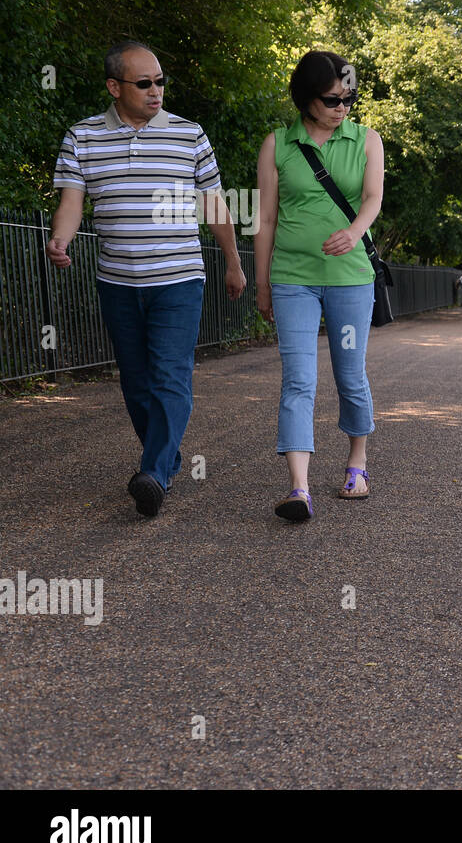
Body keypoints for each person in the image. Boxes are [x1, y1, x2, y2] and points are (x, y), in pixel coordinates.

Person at [47, 40, 247, 516]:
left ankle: (154, 472)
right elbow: (73, 201)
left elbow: (214, 203)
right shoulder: (83, 137)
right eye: (144, 83)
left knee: (170, 376)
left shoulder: (188, 134)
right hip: (117, 280)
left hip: (178, 278)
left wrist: (233, 262)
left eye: (160, 81)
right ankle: (167, 459)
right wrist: (61, 240)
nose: (156, 91)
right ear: (115, 87)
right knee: (136, 382)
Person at [254, 50, 385, 521]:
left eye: (349, 98)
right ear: (306, 99)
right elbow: (265, 218)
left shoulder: (367, 140)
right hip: (293, 278)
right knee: (298, 380)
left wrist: (354, 232)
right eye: (332, 99)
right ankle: (299, 488)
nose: (342, 107)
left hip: (350, 280)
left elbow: (373, 198)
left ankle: (357, 463)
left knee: (350, 374)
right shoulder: (277, 145)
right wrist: (262, 283)